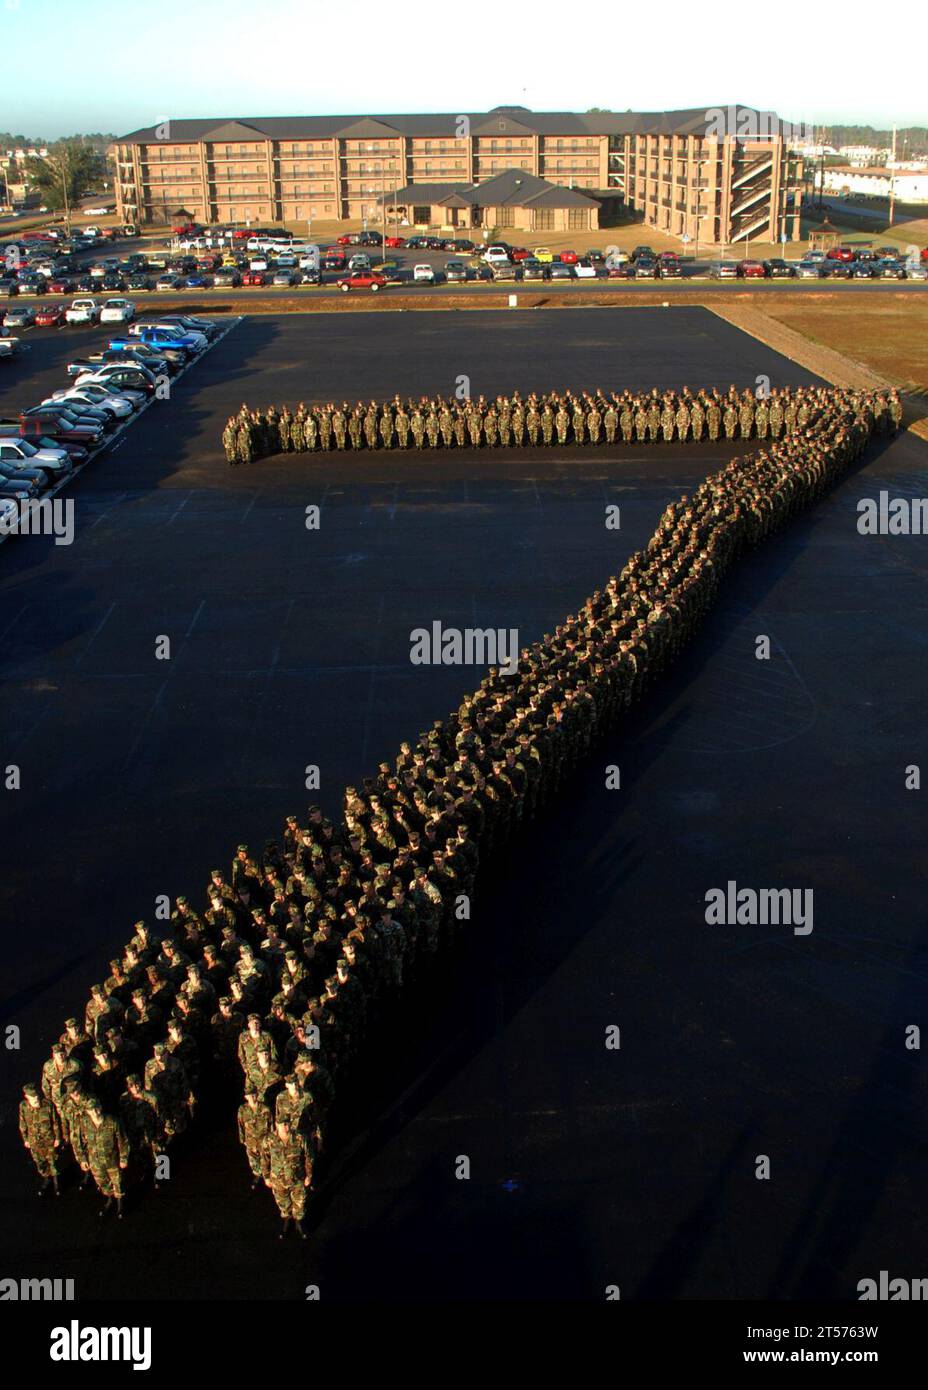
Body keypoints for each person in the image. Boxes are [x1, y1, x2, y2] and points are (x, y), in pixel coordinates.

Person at [19, 1083, 64, 1196]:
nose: (36, 1098)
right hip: (34, 1141)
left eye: (36, 1096)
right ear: (26, 1097)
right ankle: (46, 1179)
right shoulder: (23, 1107)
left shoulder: (47, 1105)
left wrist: (58, 1137)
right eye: (32, 1097)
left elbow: (55, 1122)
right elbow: (22, 1124)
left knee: (53, 1162)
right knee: (40, 1162)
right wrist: (25, 1139)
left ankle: (57, 1185)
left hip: (49, 1140)